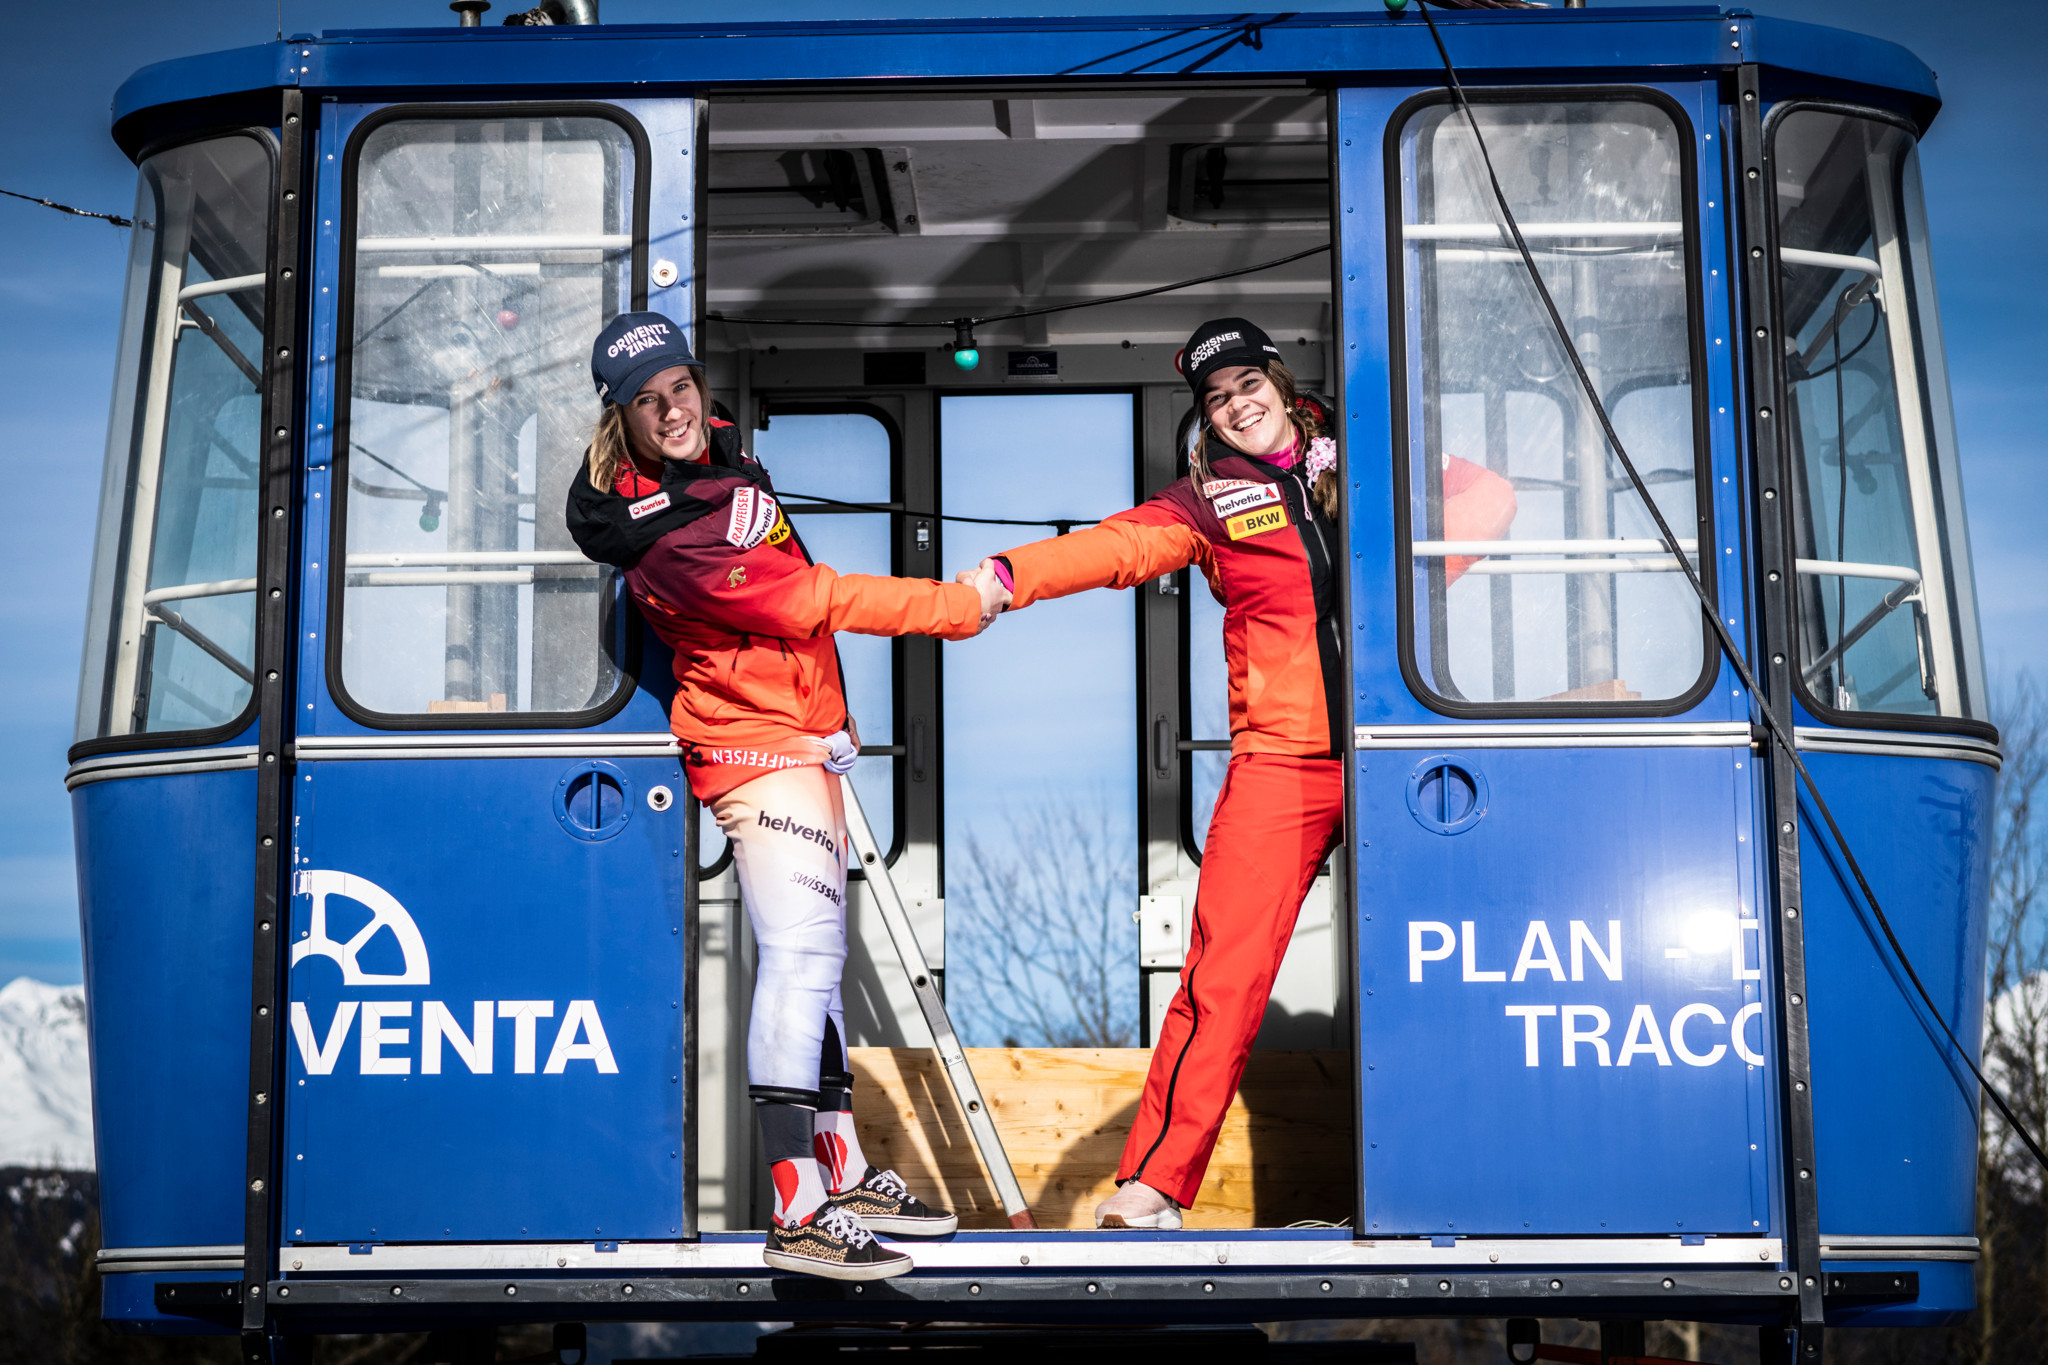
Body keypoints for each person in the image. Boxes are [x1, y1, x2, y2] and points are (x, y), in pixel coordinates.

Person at [961, 317, 1512, 1230]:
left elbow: (1488, 497)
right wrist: (1006, 576)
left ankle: (1473, 1181)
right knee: (1223, 982)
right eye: (1217, 400)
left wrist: (1405, 554)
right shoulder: (1210, 502)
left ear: (1280, 382)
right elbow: (1116, 545)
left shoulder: (1363, 451)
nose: (1237, 406)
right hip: (1282, 768)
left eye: (1248, 385)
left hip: (1396, 756)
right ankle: (1151, 1189)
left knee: (1457, 965)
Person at [566, 312, 1006, 1280]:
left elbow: (796, 618)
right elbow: (817, 599)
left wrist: (834, 718)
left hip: (797, 741)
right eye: (648, 403)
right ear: (624, 421)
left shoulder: (724, 465)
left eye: (679, 386)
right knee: (800, 957)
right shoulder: (670, 539)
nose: (673, 410)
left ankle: (839, 1173)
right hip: (752, 754)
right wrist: (962, 607)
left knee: (821, 969)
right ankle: (796, 1208)